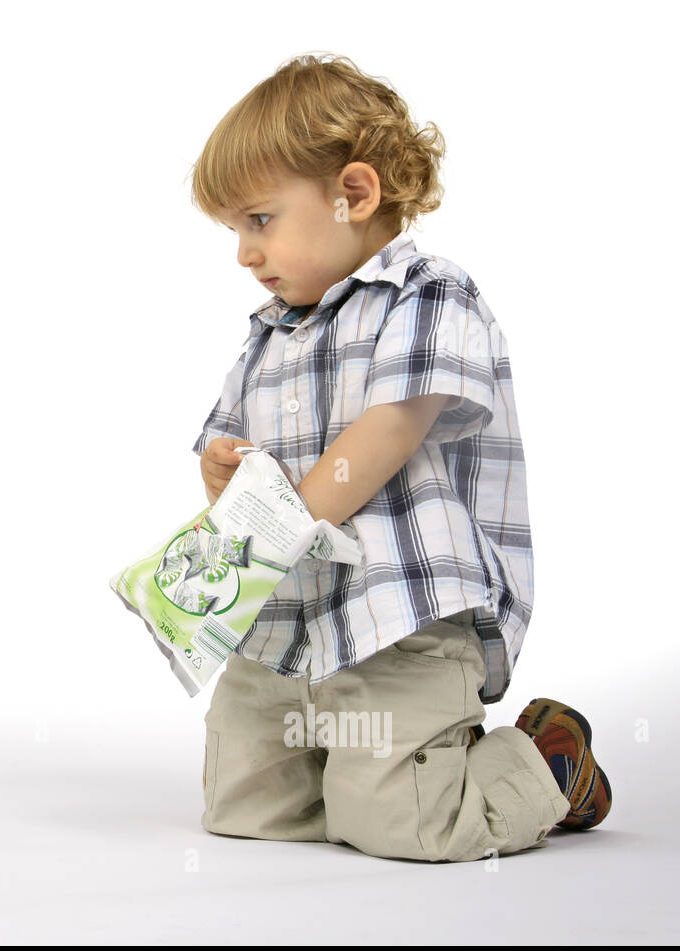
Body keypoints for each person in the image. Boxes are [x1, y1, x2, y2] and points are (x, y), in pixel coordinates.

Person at [190, 54, 609, 861]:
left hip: (399, 618)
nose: (245, 252)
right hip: (290, 623)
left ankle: (544, 761)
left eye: (259, 219)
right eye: (236, 230)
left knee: (408, 824)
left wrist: (285, 518)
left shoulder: (425, 295)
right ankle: (364, 769)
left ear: (354, 194)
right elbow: (227, 443)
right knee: (241, 806)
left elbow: (390, 428)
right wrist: (222, 470)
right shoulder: (271, 329)